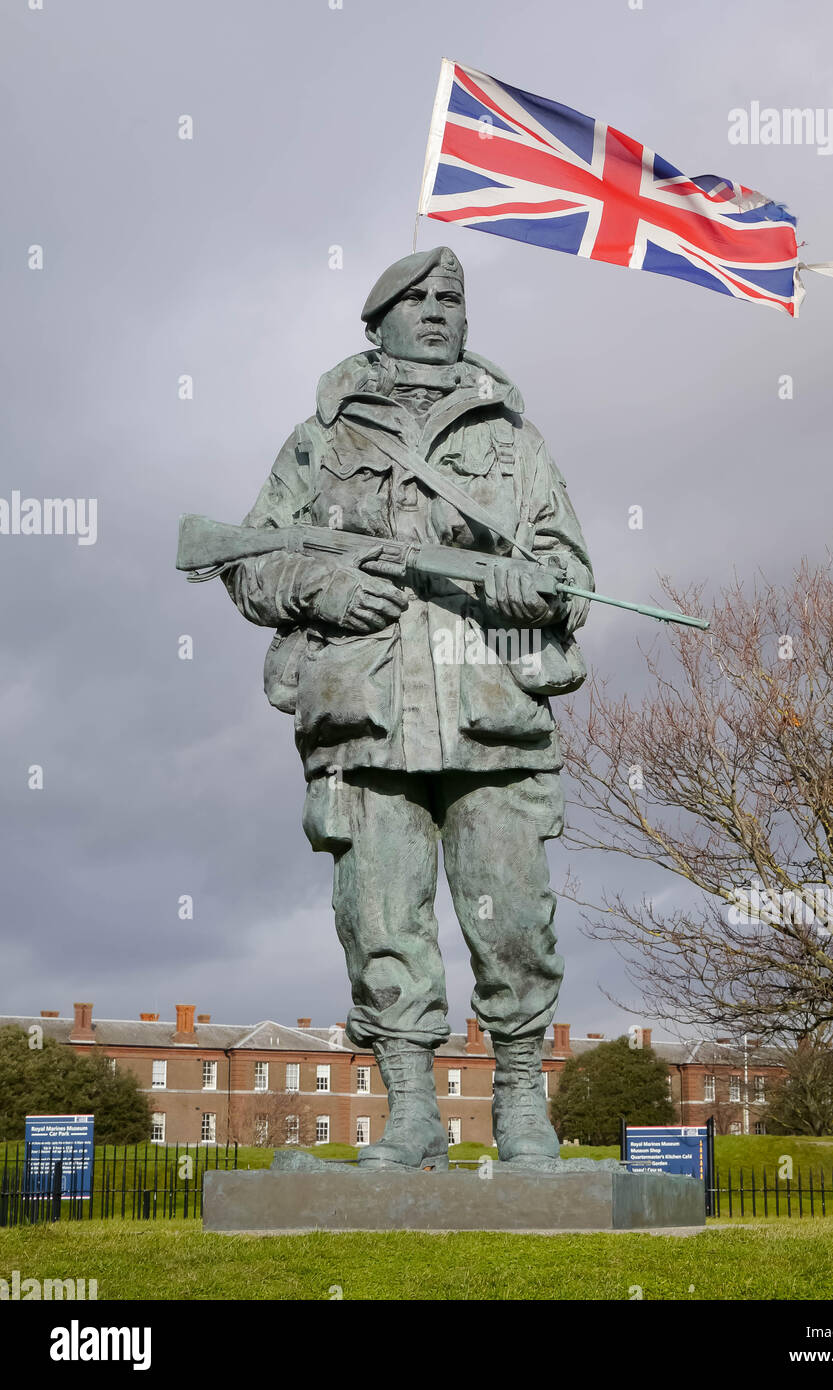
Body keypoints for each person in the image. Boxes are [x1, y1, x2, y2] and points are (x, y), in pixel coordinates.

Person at [223, 246, 593, 1169]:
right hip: (368, 717)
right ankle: (413, 1113)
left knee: (513, 919)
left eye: (452, 297)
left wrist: (533, 590)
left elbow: (575, 578)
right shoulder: (323, 439)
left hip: (493, 712)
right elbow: (246, 559)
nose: (437, 309)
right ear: (376, 319)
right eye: (416, 296)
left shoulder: (514, 440)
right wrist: (324, 589)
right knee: (381, 921)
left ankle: (519, 1105)